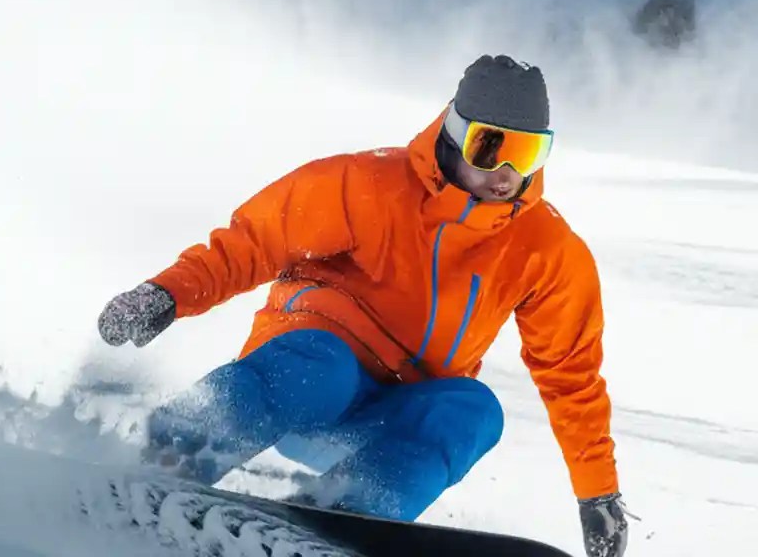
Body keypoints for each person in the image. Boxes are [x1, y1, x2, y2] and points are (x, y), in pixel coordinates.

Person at [96, 55, 629, 557]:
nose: (506, 170)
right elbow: (251, 243)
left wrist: (598, 493)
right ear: (454, 132)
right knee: (323, 363)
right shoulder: (368, 186)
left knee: (474, 411)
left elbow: (570, 374)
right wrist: (166, 293)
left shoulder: (548, 249)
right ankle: (168, 454)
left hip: (385, 419)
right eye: (490, 147)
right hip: (300, 377)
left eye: (528, 152)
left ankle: (345, 518)